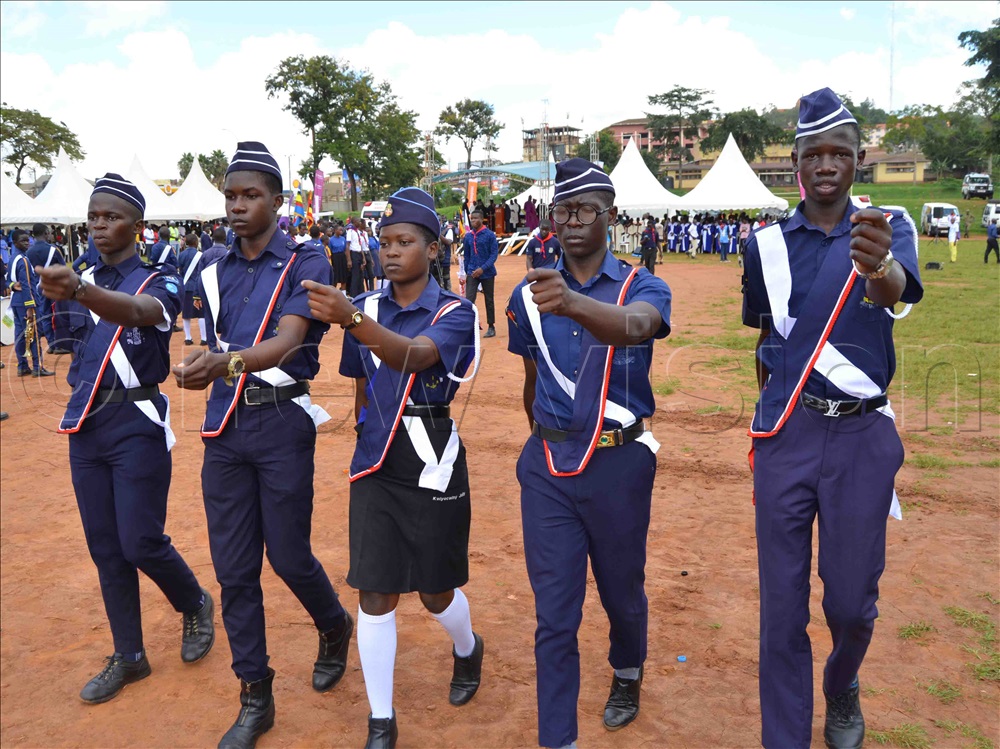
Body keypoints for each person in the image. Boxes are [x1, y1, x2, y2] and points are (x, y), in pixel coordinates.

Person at [742, 88, 923, 749]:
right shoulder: (763, 246)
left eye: (838, 153)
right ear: (795, 161)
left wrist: (877, 264)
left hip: (861, 436)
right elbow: (767, 339)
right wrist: (772, 422)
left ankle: (842, 680)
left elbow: (894, 287)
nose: (825, 164)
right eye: (812, 153)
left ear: (858, 159)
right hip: (787, 433)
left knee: (850, 603)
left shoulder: (886, 225)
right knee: (781, 608)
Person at [172, 143, 353, 749]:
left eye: (251, 195)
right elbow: (197, 338)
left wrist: (223, 364)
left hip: (280, 423)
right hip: (223, 431)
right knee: (233, 571)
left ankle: (333, 623)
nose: (238, 206)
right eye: (231, 196)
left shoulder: (307, 262)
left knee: (290, 555)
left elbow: (287, 341)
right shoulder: (206, 268)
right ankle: (255, 694)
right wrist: (195, 361)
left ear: (278, 201)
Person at [305, 186, 483, 749]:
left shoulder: (455, 311)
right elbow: (361, 383)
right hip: (376, 460)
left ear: (432, 249)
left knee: (435, 591)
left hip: (431, 458)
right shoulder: (370, 307)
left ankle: (467, 648)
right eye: (384, 242)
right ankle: (381, 719)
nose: (391, 251)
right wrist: (364, 429)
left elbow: (414, 357)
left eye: (405, 241)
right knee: (375, 591)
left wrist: (352, 316)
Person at [505, 158, 672, 749]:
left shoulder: (642, 284)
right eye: (563, 210)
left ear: (611, 216)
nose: (572, 220)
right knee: (555, 615)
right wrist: (540, 436)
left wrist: (573, 303)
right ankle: (560, 739)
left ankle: (627, 671)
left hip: (619, 464)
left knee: (621, 589)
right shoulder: (526, 296)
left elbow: (638, 326)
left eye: (586, 209)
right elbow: (531, 376)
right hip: (548, 466)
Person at [38, 174, 215, 704]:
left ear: (137, 227)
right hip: (87, 425)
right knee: (105, 548)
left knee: (140, 540)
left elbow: (138, 314)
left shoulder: (159, 282)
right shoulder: (81, 277)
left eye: (111, 217)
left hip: (136, 425)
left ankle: (194, 602)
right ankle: (130, 656)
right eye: (93, 217)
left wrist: (81, 290)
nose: (99, 226)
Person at [8, 229, 52, 376]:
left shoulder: (12, 258)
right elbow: (26, 285)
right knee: (33, 334)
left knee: (20, 334)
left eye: (28, 240)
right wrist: (30, 306)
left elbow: (9, 280)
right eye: (23, 240)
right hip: (27, 302)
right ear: (15, 242)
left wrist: (12, 286)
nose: (27, 243)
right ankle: (37, 367)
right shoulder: (24, 260)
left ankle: (22, 366)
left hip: (15, 301)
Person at [27, 223, 72, 354]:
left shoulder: (28, 251)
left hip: (38, 287)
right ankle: (59, 344)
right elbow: (63, 267)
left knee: (44, 314)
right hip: (54, 286)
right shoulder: (53, 249)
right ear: (46, 233)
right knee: (57, 313)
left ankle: (51, 343)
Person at [461, 208, 498, 338]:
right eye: (471, 219)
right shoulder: (468, 236)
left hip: (487, 273)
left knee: (489, 299)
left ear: (482, 219)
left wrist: (483, 268)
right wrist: (468, 270)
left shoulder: (489, 235)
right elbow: (467, 254)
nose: (473, 221)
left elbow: (494, 255)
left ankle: (491, 326)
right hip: (472, 273)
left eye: (476, 219)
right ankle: (468, 326)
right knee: (469, 300)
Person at [178, 233, 207, 345]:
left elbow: (180, 271)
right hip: (198, 287)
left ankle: (188, 338)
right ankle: (204, 338)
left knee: (186, 314)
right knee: (201, 313)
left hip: (186, 286)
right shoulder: (201, 255)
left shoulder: (182, 255)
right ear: (196, 242)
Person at [348, 217, 369, 298]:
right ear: (354, 222)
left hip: (360, 253)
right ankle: (354, 295)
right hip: (353, 254)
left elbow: (360, 245)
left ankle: (361, 294)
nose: (360, 223)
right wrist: (349, 260)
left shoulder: (358, 232)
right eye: (358, 221)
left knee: (361, 275)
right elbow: (347, 246)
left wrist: (363, 258)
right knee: (355, 275)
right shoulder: (350, 231)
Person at [328, 223, 350, 291]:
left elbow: (345, 249)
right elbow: (329, 251)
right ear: (335, 230)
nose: (341, 231)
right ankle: (333, 293)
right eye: (339, 230)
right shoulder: (331, 240)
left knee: (344, 277)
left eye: (342, 230)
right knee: (335, 277)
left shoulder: (343, 238)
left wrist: (348, 260)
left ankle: (344, 294)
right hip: (335, 259)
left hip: (342, 258)